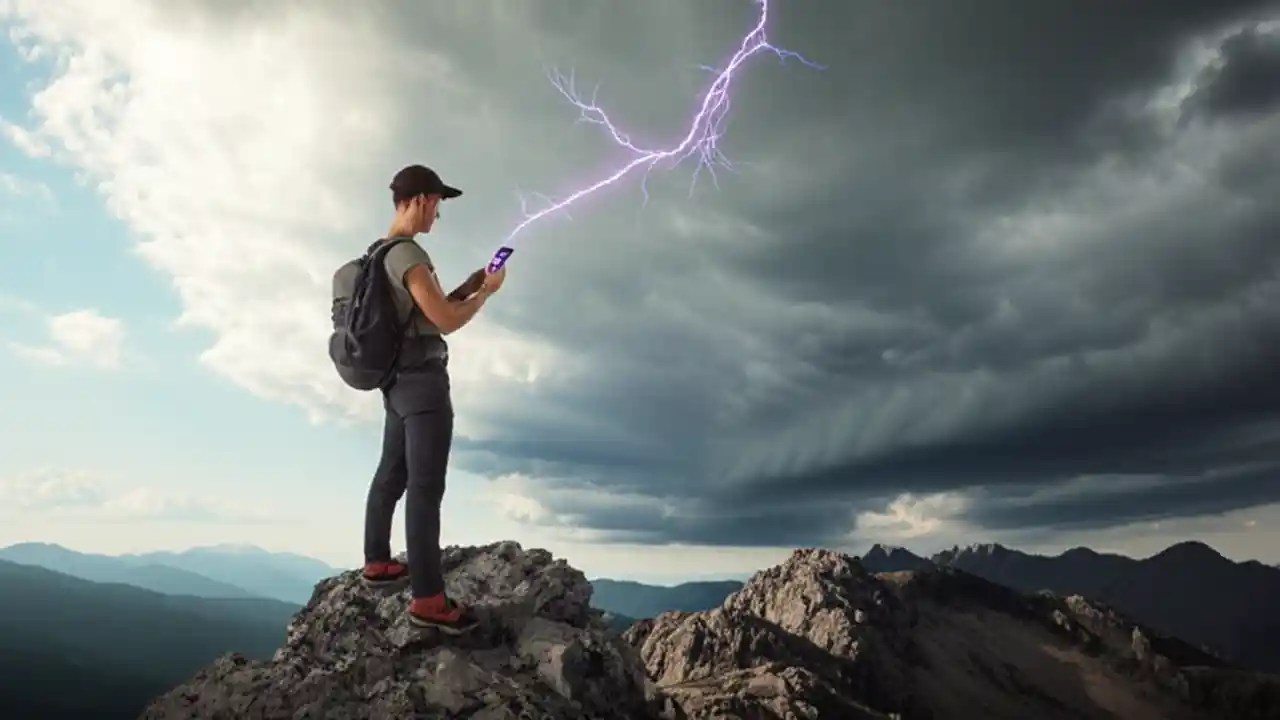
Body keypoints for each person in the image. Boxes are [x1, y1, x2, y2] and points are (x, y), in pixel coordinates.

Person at [358, 164, 506, 633]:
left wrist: (473, 283)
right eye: (437, 204)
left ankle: (377, 562)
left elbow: (421, 312)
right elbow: (444, 320)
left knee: (392, 471)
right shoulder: (410, 255)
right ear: (421, 199)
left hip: (395, 384)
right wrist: (487, 296)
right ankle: (429, 601)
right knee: (425, 488)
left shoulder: (378, 255)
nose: (437, 216)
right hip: (423, 384)